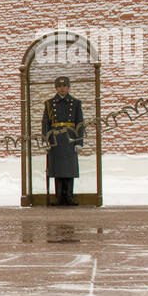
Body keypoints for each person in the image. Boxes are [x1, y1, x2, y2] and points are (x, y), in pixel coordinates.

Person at [43, 75, 84, 207]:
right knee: (57, 169)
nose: (62, 89)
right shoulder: (49, 104)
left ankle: (69, 197)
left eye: (64, 86)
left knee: (69, 169)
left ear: (68, 87)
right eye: (59, 86)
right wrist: (46, 140)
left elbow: (80, 123)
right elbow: (46, 123)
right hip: (55, 138)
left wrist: (79, 142)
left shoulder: (76, 103)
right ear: (56, 88)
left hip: (70, 138)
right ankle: (59, 197)